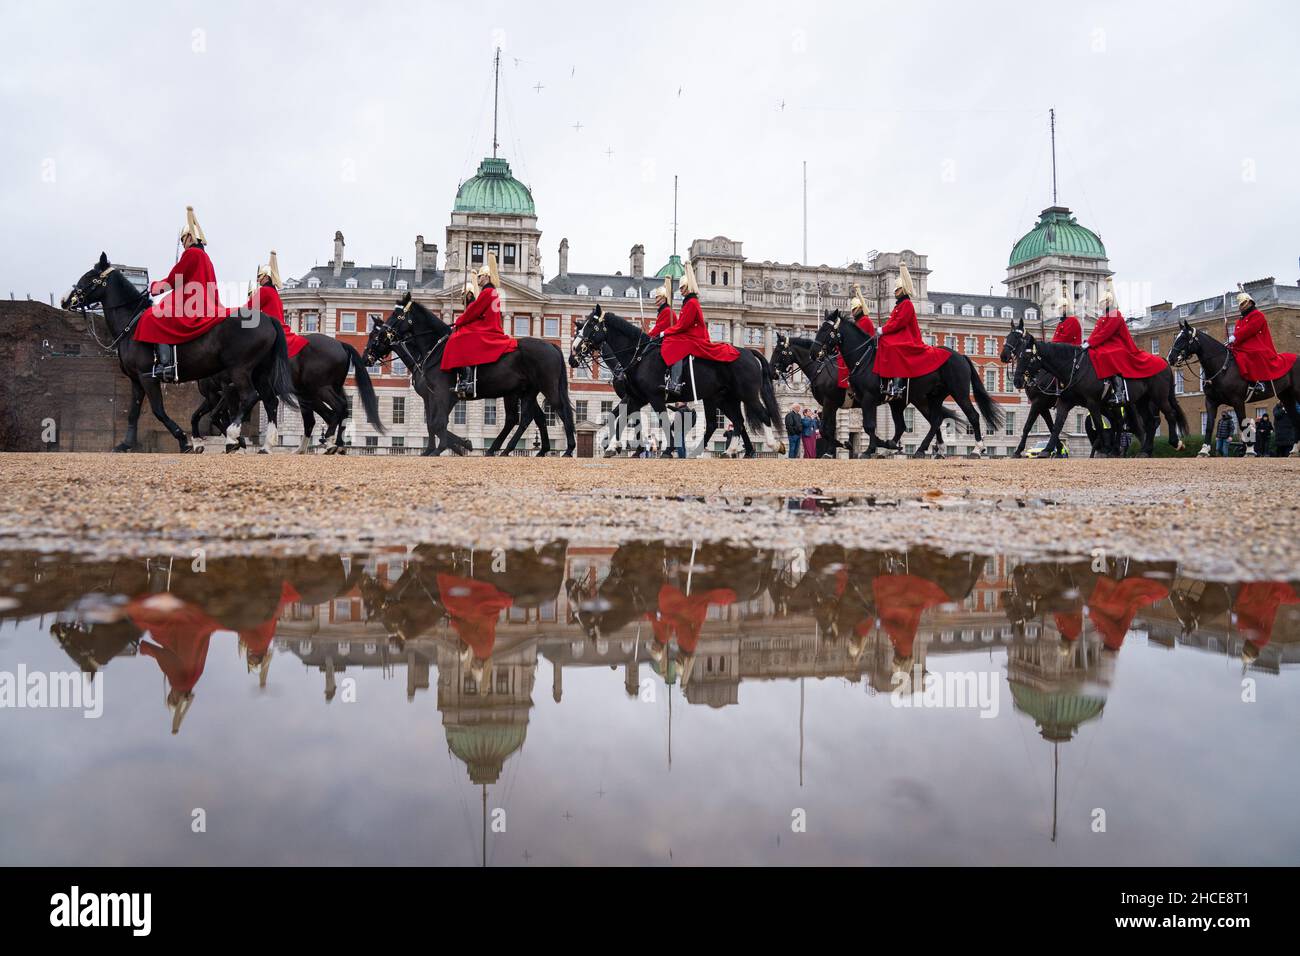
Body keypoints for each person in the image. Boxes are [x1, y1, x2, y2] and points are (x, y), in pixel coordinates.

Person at [135, 206, 228, 382]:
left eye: (183, 239)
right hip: (204, 300)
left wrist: (153, 287)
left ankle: (165, 364)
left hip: (190, 302)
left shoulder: (191, 253)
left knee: (152, 317)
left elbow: (173, 281)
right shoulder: (205, 256)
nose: (182, 243)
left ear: (190, 237)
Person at [440, 251, 517, 398]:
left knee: (458, 338)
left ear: (487, 276)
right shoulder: (492, 291)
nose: (479, 279)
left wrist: (458, 322)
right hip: (489, 324)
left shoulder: (488, 292)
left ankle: (466, 378)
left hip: (487, 327)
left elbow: (473, 312)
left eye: (480, 276)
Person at [1083, 278, 1168, 405]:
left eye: (1101, 303)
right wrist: (1087, 343)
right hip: (1107, 344)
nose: (1099, 305)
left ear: (1108, 302)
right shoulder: (1102, 317)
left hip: (1120, 346)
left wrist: (1091, 343)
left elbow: (1106, 334)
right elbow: (1096, 333)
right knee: (1092, 353)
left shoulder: (1115, 314)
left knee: (1108, 354)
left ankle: (1119, 391)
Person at [660, 260, 739, 397]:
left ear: (689, 287)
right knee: (670, 340)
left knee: (673, 345)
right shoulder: (688, 302)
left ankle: (675, 383)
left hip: (695, 337)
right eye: (680, 288)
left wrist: (665, 332)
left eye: (682, 288)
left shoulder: (691, 303)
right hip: (690, 335)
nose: (681, 291)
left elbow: (683, 325)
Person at [874, 262, 950, 398]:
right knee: (884, 343)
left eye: (896, 290)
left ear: (903, 290)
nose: (894, 292)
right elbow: (893, 322)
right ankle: (885, 381)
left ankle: (897, 385)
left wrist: (883, 330)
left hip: (908, 338)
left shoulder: (907, 304)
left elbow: (899, 323)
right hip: (900, 335)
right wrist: (882, 331)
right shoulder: (900, 305)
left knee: (893, 347)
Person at [1229, 289, 1297, 398]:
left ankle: (1259, 382)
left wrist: (1235, 336)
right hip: (1243, 345)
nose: (1240, 307)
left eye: (1242, 304)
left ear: (1249, 302)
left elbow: (1250, 329)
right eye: (1239, 304)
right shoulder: (1240, 320)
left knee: (1256, 354)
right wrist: (1231, 341)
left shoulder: (1257, 315)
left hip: (1259, 344)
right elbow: (1239, 333)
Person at [246, 250, 309, 358]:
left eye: (260, 276)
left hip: (271, 327)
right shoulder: (274, 292)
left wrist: (231, 312)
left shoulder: (265, 290)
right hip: (279, 326)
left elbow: (248, 308)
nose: (258, 279)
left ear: (267, 277)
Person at [836, 284, 877, 389]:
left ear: (860, 309)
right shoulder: (857, 322)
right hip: (858, 349)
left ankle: (847, 383)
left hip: (865, 351)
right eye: (852, 310)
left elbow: (863, 338)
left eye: (854, 310)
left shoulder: (865, 320)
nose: (852, 312)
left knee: (843, 360)